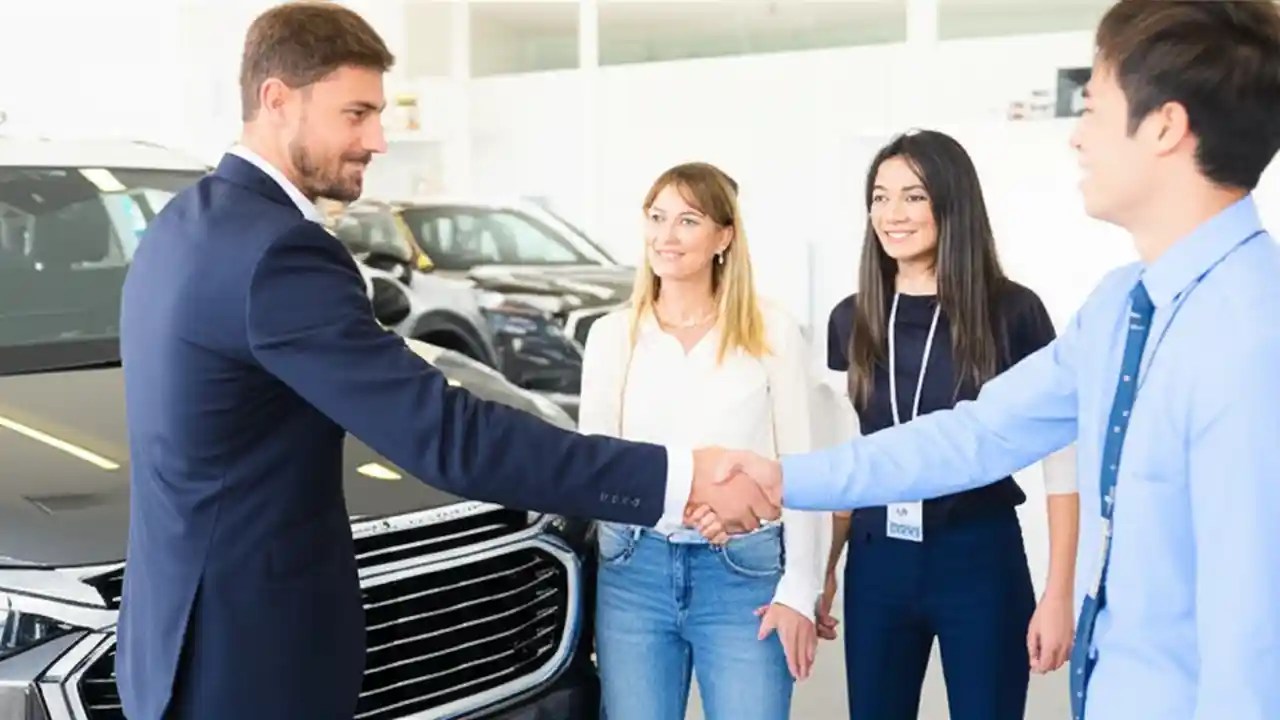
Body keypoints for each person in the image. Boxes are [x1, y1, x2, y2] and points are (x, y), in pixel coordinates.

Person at [115, 4, 775, 719]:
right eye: (357, 113)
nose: (379, 139)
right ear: (277, 99)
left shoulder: (180, 226)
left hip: (174, 645)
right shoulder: (279, 252)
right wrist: (679, 477)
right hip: (251, 666)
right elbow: (447, 436)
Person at [728, 2, 1280, 719]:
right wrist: (782, 478)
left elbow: (1254, 636)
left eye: (1092, 109)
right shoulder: (1120, 306)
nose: (1076, 139)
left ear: (1166, 127)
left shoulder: (1253, 337)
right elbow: (977, 435)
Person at [813, 129, 1079, 720]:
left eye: (912, 196)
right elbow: (845, 457)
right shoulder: (851, 318)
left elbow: (1063, 460)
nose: (891, 214)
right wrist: (824, 569)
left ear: (951, 202)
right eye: (879, 197)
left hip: (977, 556)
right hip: (879, 556)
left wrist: (1059, 593)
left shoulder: (1014, 311)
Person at [578, 162, 830, 720]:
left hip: (743, 573)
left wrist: (800, 590)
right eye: (657, 217)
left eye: (687, 220)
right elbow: (594, 467)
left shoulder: (772, 333)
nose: (666, 237)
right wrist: (685, 501)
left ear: (724, 236)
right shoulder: (611, 336)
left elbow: (803, 467)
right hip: (632, 571)